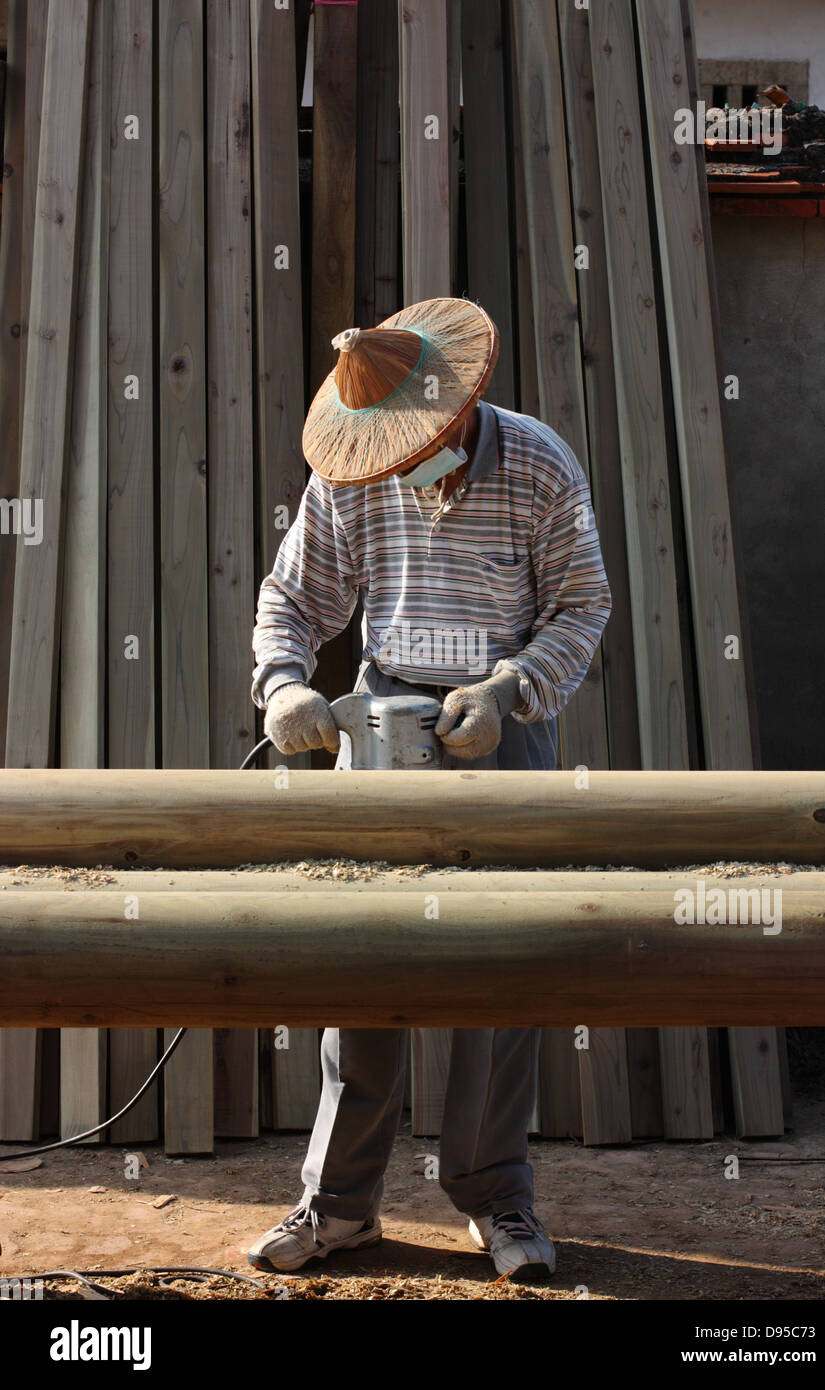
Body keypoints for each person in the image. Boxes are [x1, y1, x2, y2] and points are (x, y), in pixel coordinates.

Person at [246, 297, 612, 1280]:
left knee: (499, 981)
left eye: (423, 448)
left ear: (458, 410)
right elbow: (291, 598)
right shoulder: (354, 474)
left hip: (502, 721)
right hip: (382, 719)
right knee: (365, 970)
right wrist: (284, 684)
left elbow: (583, 606)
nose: (406, 471)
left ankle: (497, 1198)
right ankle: (338, 1205)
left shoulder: (537, 463)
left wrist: (510, 686)